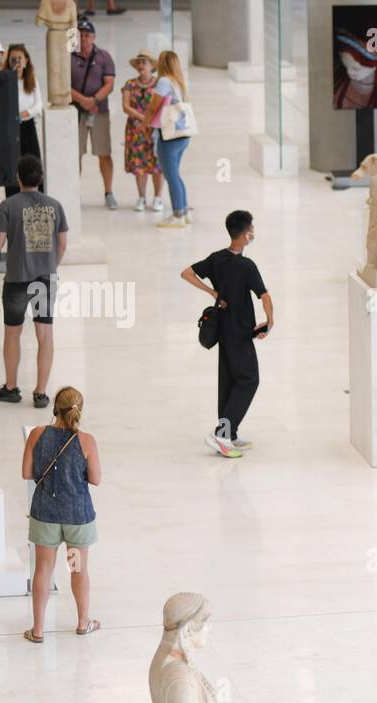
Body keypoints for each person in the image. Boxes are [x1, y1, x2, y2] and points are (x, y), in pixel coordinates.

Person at [182, 210, 274, 458]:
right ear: (245, 235)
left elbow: (187, 272)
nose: (253, 232)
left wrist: (213, 293)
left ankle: (229, 434)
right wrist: (270, 321)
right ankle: (221, 436)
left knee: (229, 381)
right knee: (249, 380)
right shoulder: (247, 266)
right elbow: (264, 296)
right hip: (241, 333)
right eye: (251, 229)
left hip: (223, 331)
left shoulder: (216, 259)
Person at [21, 386, 101, 644]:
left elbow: (26, 473)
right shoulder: (86, 441)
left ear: (55, 407)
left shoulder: (36, 434)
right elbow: (96, 479)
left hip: (45, 514)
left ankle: (38, 630)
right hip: (76, 516)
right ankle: (82, 623)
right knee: (77, 568)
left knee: (44, 569)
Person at [0, 155, 68, 408]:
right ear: (41, 178)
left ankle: (11, 387)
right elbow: (63, 243)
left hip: (16, 280)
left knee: (13, 333)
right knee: (45, 334)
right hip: (45, 278)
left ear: (18, 178)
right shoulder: (55, 205)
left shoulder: (8, 205)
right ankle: (41, 393)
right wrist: (49, 267)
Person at [70, 18, 118, 210]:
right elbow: (63, 83)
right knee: (76, 154)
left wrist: (94, 100)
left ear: (94, 37)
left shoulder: (104, 56)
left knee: (104, 152)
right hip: (77, 112)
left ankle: (109, 192)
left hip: (100, 112)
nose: (84, 38)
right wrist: (83, 101)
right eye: (81, 34)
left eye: (87, 35)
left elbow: (110, 83)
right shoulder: (69, 56)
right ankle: (74, 193)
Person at [144, 50, 191, 227]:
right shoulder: (179, 82)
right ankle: (184, 211)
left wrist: (144, 125)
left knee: (171, 176)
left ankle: (178, 215)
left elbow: (153, 106)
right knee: (175, 175)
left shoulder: (164, 81)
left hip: (169, 136)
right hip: (183, 135)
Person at [122, 50, 165, 213]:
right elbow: (126, 106)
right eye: (139, 63)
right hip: (136, 129)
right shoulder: (129, 84)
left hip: (154, 129)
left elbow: (162, 104)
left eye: (144, 63)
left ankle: (158, 197)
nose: (140, 66)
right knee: (139, 164)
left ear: (151, 66)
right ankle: (141, 196)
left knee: (157, 163)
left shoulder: (159, 83)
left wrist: (149, 121)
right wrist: (143, 118)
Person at [8, 44, 43, 175]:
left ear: (26, 60)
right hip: (11, 127)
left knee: (33, 164)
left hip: (27, 125)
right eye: (13, 59)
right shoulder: (6, 80)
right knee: (14, 165)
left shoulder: (32, 80)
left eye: (19, 58)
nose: (17, 61)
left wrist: (24, 114)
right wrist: (11, 75)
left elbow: (38, 105)